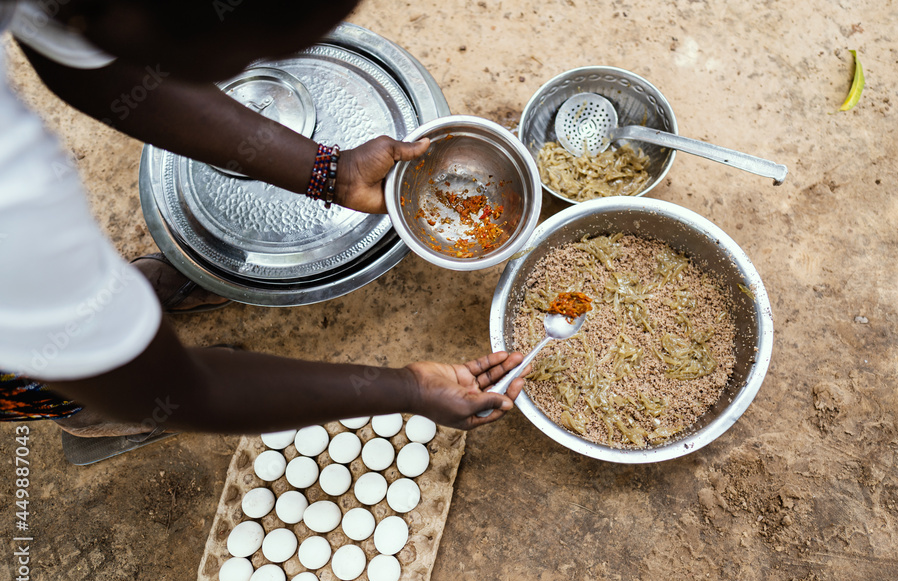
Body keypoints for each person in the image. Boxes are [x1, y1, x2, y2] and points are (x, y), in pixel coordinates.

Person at [0, 0, 526, 463]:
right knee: (65, 376)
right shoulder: (16, 206)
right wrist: (409, 390)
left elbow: (100, 68)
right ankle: (81, 403)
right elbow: (180, 390)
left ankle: (107, 326)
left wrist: (332, 173)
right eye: (249, 54)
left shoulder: (84, 11)